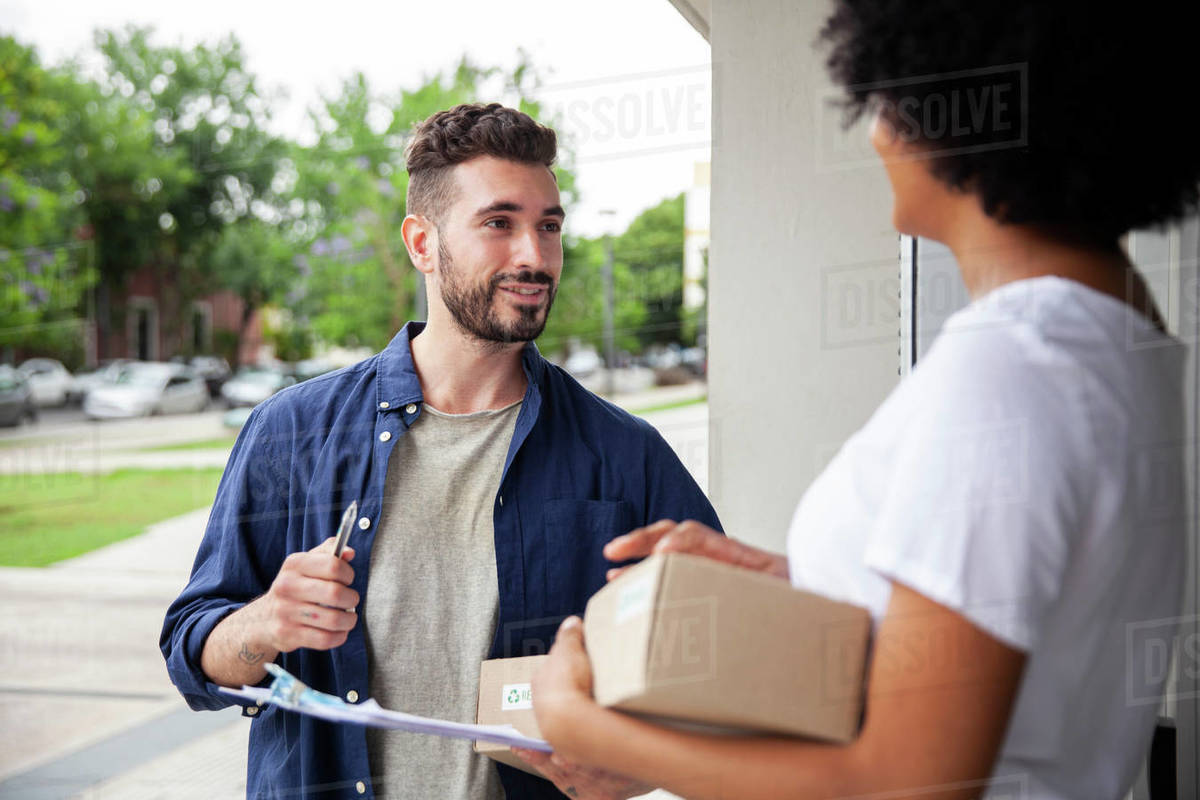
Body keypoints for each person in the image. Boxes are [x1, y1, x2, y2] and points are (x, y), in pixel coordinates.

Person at [520, 3, 1200, 799]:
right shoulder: (1118, 340)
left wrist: (585, 726)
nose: (876, 134)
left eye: (888, 102)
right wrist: (805, 577)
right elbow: (1017, 624)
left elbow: (905, 781)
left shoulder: (1011, 370)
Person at [160, 103, 720, 800]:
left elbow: (713, 671)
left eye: (549, 226)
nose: (534, 255)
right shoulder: (290, 432)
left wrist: (632, 771)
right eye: (499, 223)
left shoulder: (624, 454)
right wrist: (267, 621)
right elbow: (192, 654)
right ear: (422, 243)